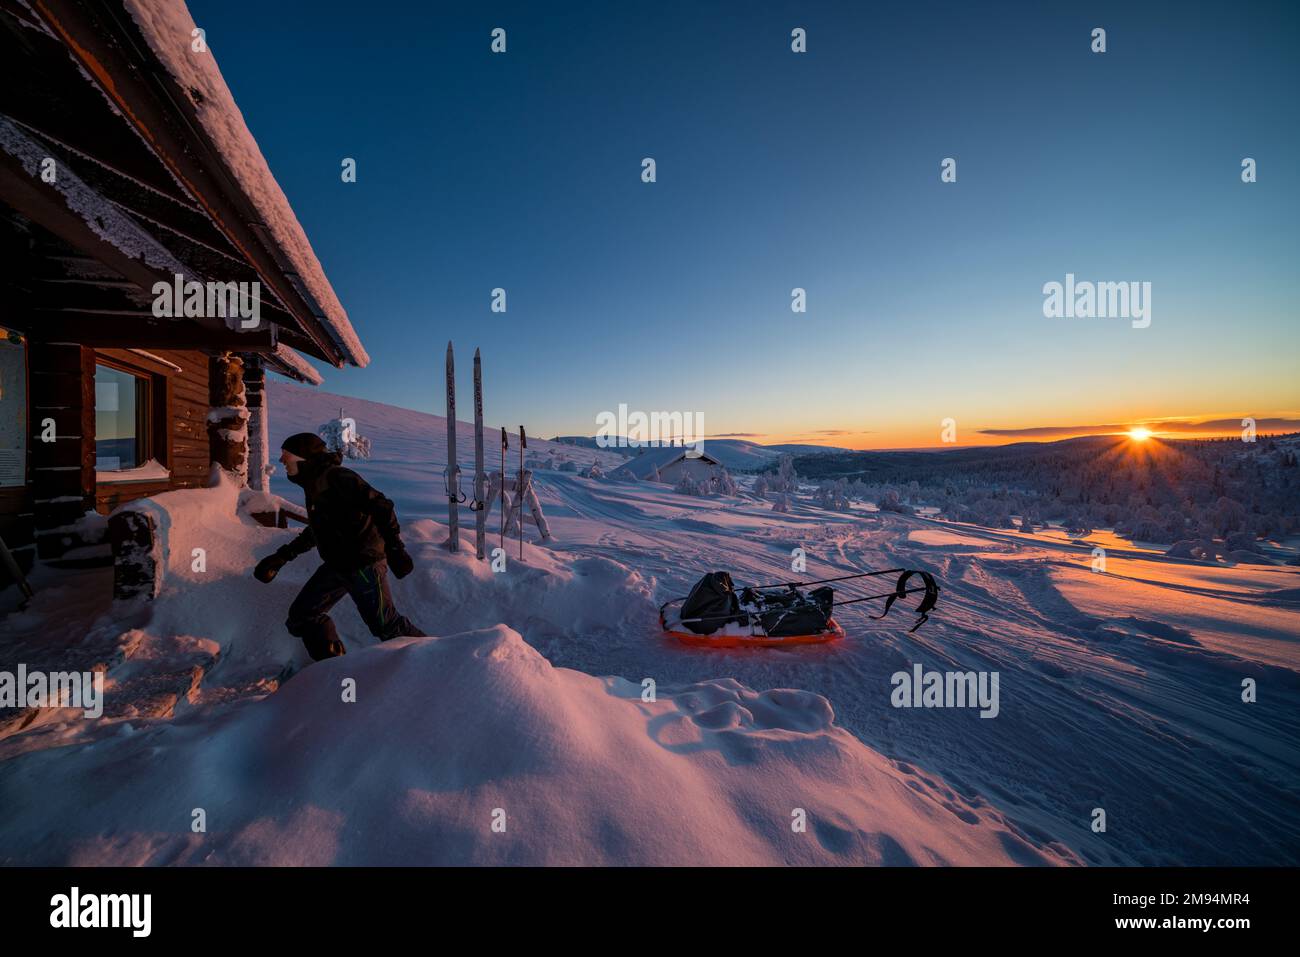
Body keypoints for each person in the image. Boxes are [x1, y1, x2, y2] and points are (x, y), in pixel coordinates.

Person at [254, 433, 424, 660]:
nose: (282, 461)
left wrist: (395, 549)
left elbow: (381, 506)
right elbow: (318, 529)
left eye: (286, 456)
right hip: (338, 565)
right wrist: (282, 557)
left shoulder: (338, 477)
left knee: (387, 626)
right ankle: (333, 670)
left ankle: (436, 663)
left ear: (303, 458)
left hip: (364, 563)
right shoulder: (313, 484)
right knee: (302, 616)